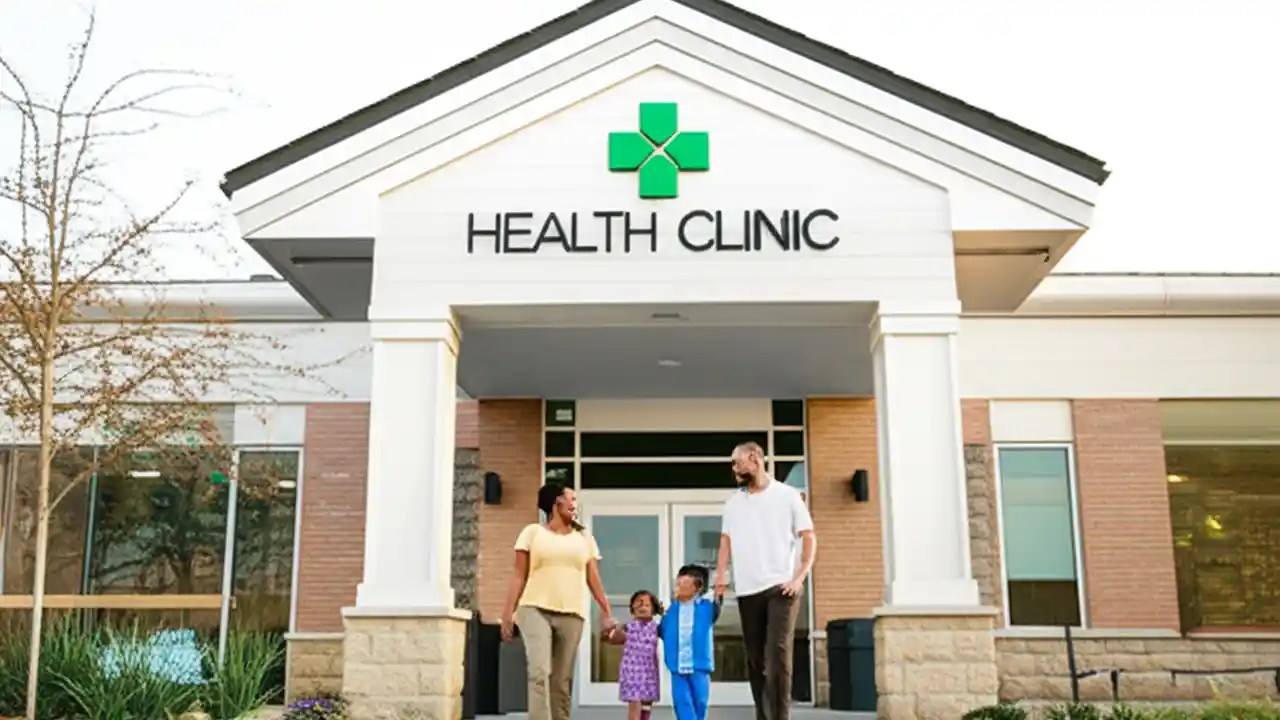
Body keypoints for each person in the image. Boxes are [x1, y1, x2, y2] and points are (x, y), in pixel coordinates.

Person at [715, 441, 816, 720]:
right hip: (748, 589)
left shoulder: (788, 496)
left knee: (777, 656)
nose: (734, 468)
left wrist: (799, 578)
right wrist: (721, 576)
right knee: (756, 660)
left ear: (754, 458)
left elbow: (808, 536)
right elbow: (726, 542)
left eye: (737, 462)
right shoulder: (734, 503)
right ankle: (763, 715)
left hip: (782, 587)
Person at [502, 482, 617, 720]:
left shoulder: (584, 537)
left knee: (562, 680)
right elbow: (518, 575)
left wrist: (606, 611)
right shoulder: (532, 533)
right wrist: (507, 613)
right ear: (557, 502)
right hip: (534, 608)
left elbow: (593, 578)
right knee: (539, 672)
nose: (575, 505)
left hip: (572, 612)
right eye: (571, 499)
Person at [658, 564, 722, 720]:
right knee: (682, 702)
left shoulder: (706, 608)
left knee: (700, 701)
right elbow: (661, 630)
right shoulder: (670, 610)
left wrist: (720, 581)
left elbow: (718, 596)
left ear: (697, 588)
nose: (678, 588)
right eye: (677, 584)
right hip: (677, 667)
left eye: (684, 584)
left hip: (699, 666)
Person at [603, 590, 663, 720]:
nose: (642, 608)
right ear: (632, 609)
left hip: (649, 671)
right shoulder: (628, 627)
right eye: (639, 605)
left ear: (653, 609)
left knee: (646, 704)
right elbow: (611, 638)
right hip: (632, 672)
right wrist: (609, 629)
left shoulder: (656, 628)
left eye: (647, 605)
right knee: (634, 703)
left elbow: (671, 636)